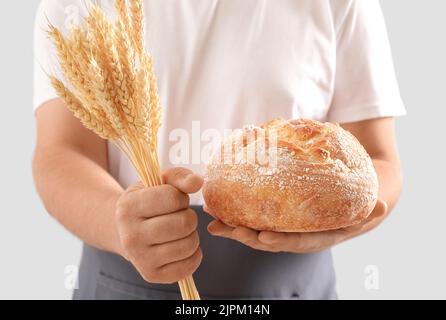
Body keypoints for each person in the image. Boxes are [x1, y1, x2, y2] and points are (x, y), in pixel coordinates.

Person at [33, 0, 406, 299]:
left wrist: (348, 219)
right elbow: (62, 152)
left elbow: (380, 161)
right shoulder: (78, 5)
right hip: (126, 276)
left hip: (293, 283)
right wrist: (117, 223)